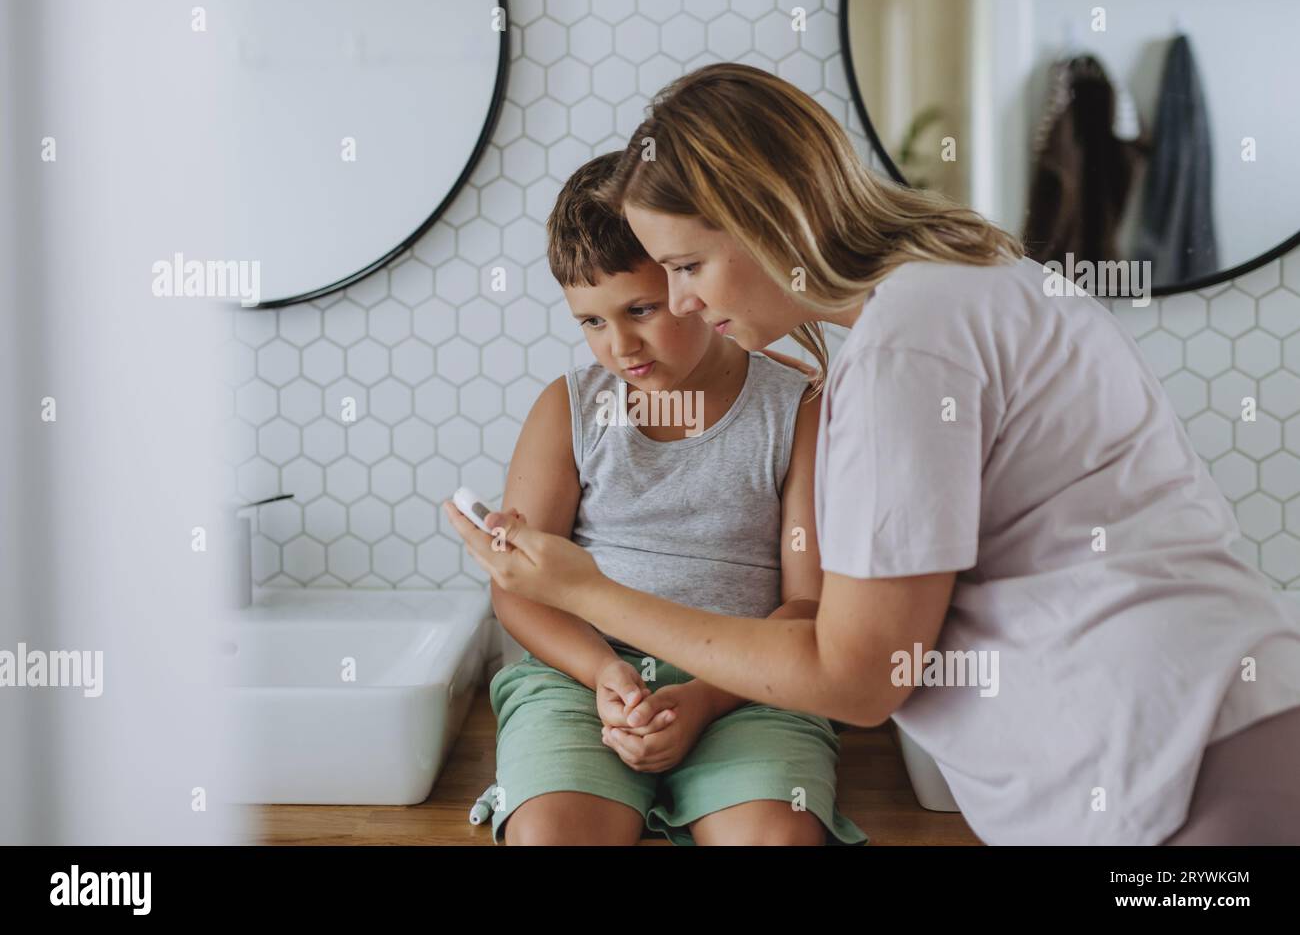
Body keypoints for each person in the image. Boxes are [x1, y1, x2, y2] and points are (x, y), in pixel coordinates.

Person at [446, 64, 1300, 845]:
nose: (681, 301)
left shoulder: (906, 345)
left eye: (687, 264)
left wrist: (583, 590)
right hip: (1193, 735)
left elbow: (856, 678)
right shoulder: (966, 284)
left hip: (1172, 766)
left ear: (766, 215)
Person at [484, 151, 867, 845]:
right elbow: (519, 590)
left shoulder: (798, 405)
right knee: (550, 835)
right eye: (591, 322)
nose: (620, 345)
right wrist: (606, 674)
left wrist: (704, 697)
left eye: (641, 309)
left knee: (775, 839)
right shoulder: (567, 409)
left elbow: (808, 605)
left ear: (693, 281)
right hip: (583, 682)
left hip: (753, 684)